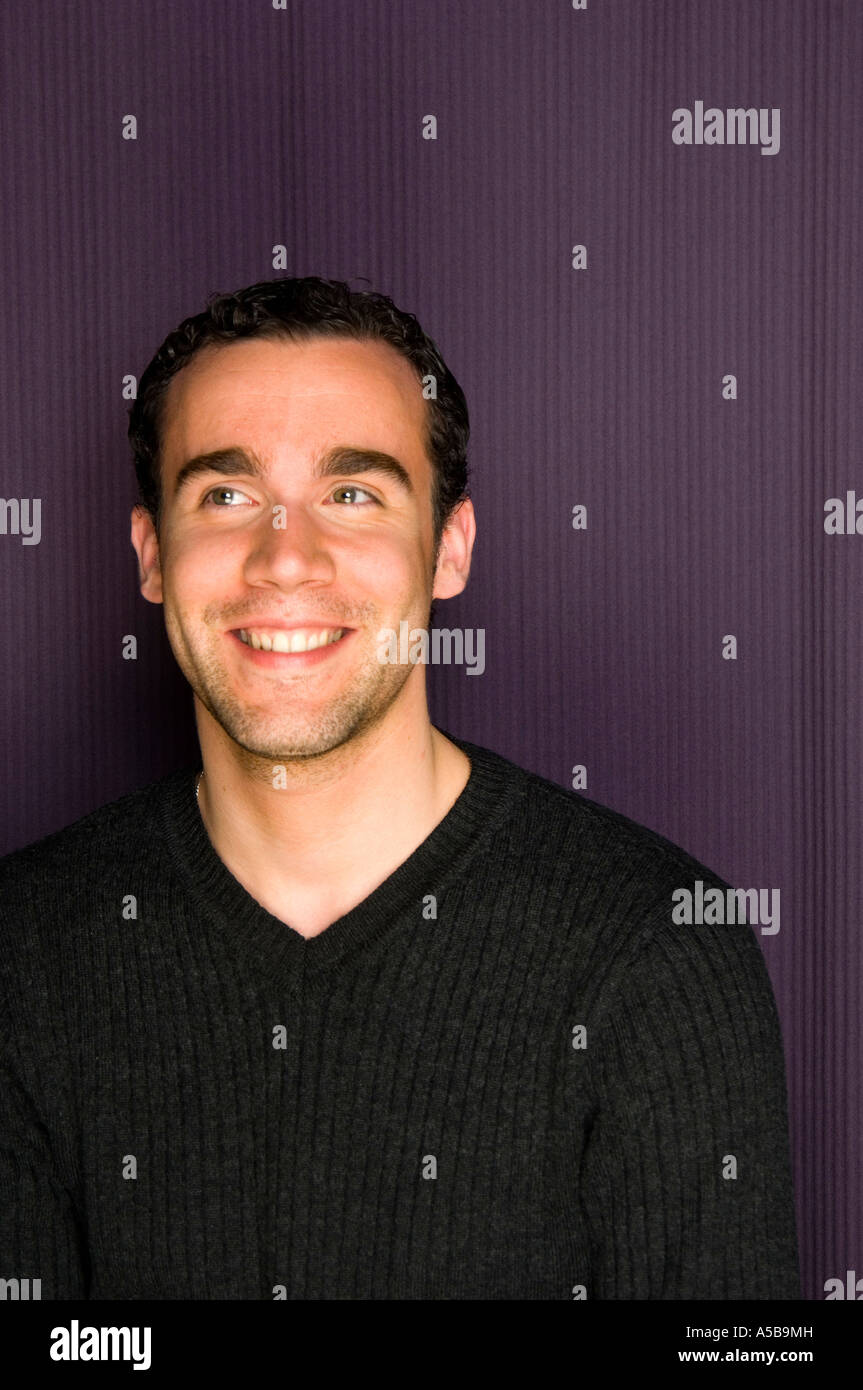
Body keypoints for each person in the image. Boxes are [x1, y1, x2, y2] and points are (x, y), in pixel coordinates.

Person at [0, 276, 800, 1300]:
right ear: (152, 555)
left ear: (448, 548)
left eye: (352, 494)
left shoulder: (656, 949)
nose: (284, 559)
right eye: (226, 494)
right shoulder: (23, 956)